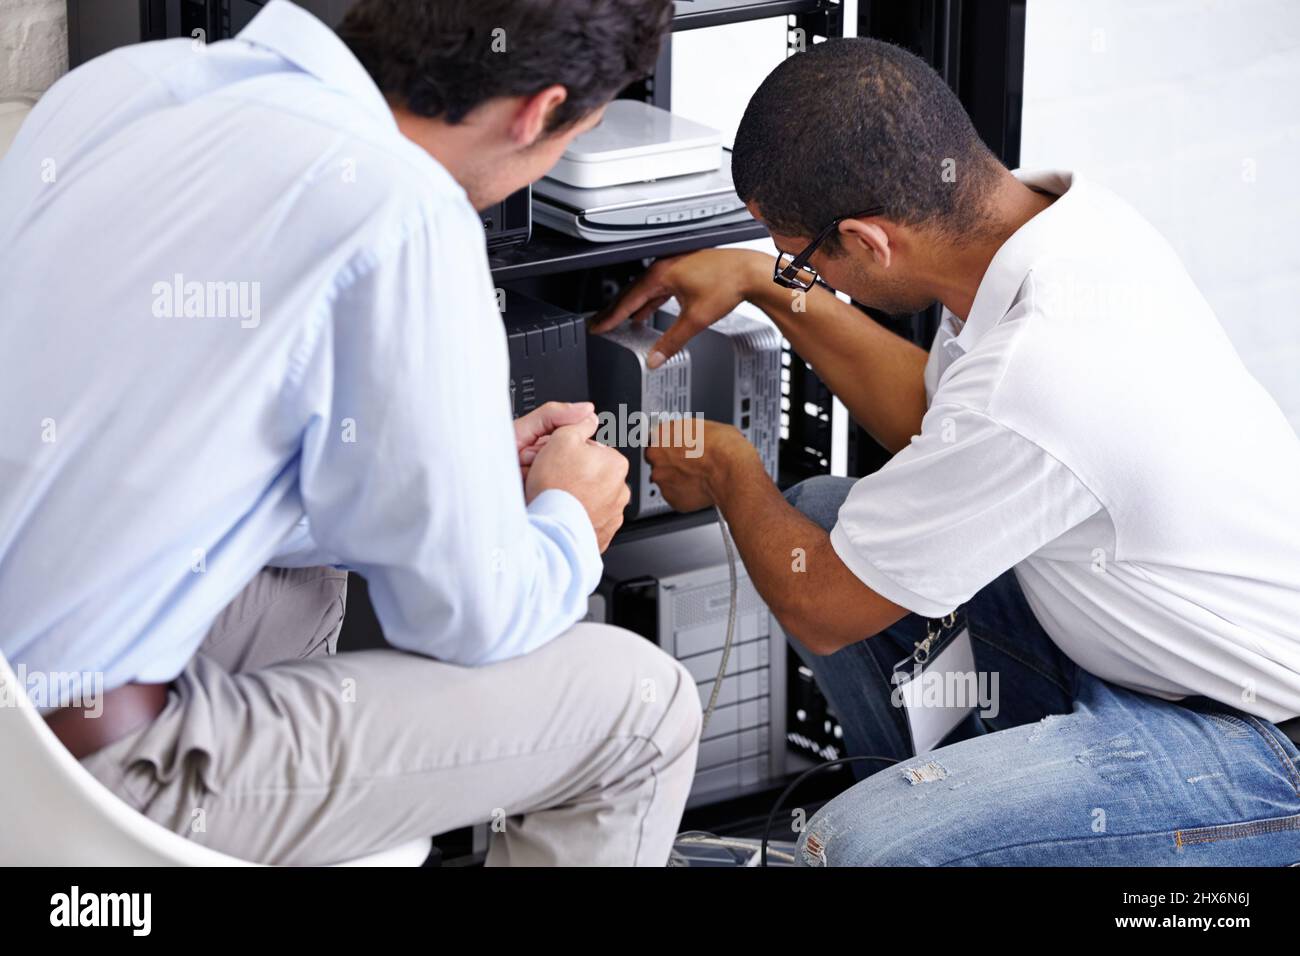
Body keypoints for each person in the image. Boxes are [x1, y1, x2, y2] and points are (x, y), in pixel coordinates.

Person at [0, 0, 702, 866]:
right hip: (97, 775)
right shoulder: (402, 210)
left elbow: (166, 448)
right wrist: (563, 521)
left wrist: (457, 466)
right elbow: (468, 621)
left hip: (18, 703)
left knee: (310, 569)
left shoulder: (115, 90)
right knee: (642, 706)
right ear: (535, 113)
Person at [596, 37, 1300, 865]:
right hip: (1137, 653)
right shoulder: (1061, 228)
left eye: (801, 254)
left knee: (860, 844)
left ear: (867, 241)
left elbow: (824, 609)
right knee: (825, 513)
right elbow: (932, 418)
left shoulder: (1044, 370)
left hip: (1255, 747)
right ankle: (964, 819)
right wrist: (766, 282)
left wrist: (726, 466)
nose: (799, 268)